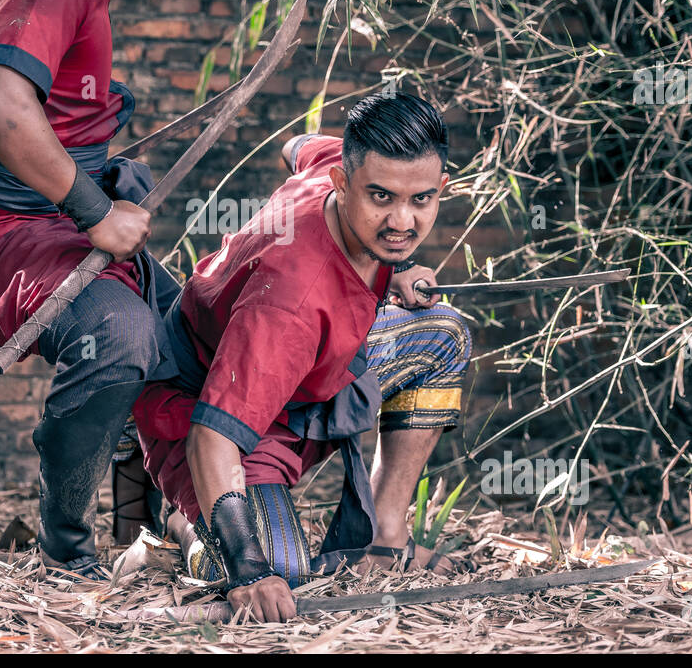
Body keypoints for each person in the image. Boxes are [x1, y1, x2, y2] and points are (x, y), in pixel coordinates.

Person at [132, 92, 473, 621]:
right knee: (277, 570)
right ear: (343, 182)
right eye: (381, 198)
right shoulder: (291, 300)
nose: (402, 221)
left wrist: (392, 270)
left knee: (441, 335)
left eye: (420, 200)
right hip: (201, 409)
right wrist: (247, 571)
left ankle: (385, 539)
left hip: (298, 382)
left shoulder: (332, 168)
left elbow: (297, 147)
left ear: (440, 189)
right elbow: (212, 437)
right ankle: (182, 520)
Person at [0, 0, 184, 580]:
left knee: (182, 333)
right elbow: (4, 110)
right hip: (6, 233)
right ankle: (67, 550)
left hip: (57, 218)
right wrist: (95, 210)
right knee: (123, 338)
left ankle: (149, 537)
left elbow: (55, 104)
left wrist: (101, 170)